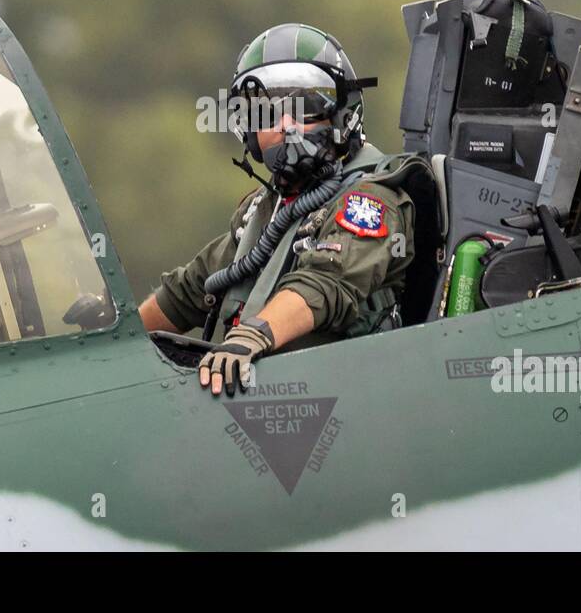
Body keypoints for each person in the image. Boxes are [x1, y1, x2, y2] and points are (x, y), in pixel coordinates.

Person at [138, 23, 431, 396]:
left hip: (344, 406)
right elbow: (188, 291)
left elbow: (327, 282)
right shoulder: (265, 211)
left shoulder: (371, 201)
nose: (287, 124)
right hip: (259, 407)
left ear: (342, 114)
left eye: (306, 105)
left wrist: (253, 336)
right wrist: (112, 344)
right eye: (266, 111)